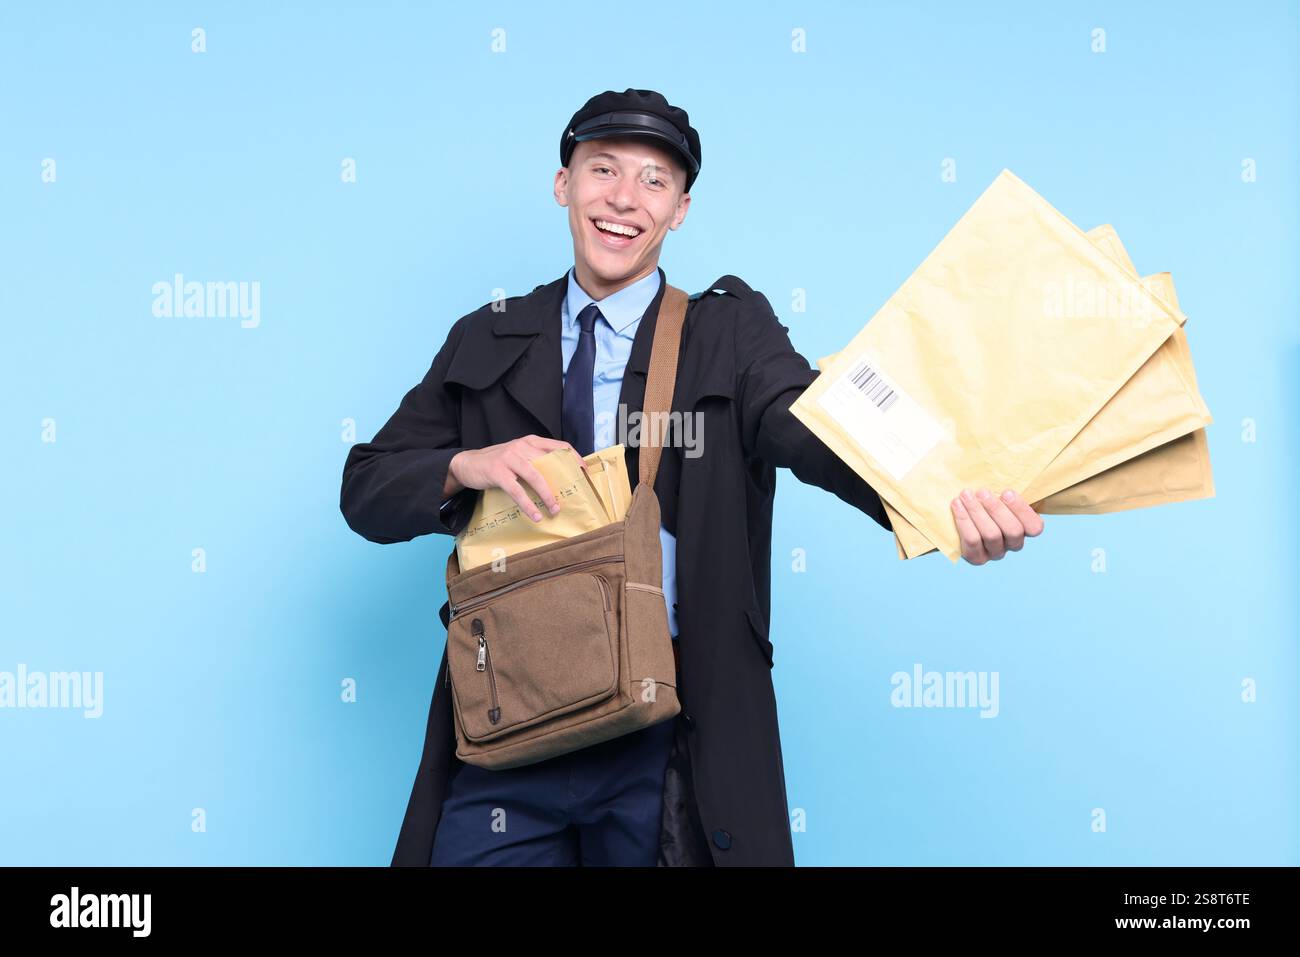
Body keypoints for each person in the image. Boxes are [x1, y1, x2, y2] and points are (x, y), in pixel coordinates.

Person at [339, 88, 1045, 867]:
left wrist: (942, 502)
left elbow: (812, 426)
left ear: (679, 210)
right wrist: (466, 464)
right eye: (602, 170)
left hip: (664, 728)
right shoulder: (488, 332)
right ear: (562, 183)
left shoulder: (726, 330)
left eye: (654, 181)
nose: (623, 199)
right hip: (511, 719)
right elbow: (366, 487)